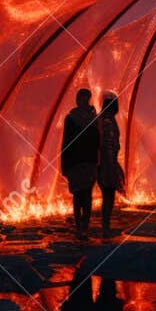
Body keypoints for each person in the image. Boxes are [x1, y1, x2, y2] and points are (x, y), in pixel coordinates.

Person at [60, 88, 100, 237]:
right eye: (81, 98)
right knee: (78, 195)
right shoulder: (71, 118)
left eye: (86, 98)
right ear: (78, 100)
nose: (83, 101)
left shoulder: (93, 118)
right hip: (76, 162)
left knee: (86, 194)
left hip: (88, 162)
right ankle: (80, 225)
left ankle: (84, 225)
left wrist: (97, 161)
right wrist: (65, 164)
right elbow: (66, 142)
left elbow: (97, 141)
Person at [96, 92, 124, 238]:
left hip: (105, 163)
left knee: (108, 195)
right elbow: (107, 144)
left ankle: (105, 226)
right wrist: (111, 165)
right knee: (108, 195)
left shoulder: (103, 119)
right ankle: (105, 227)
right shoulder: (107, 120)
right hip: (106, 163)